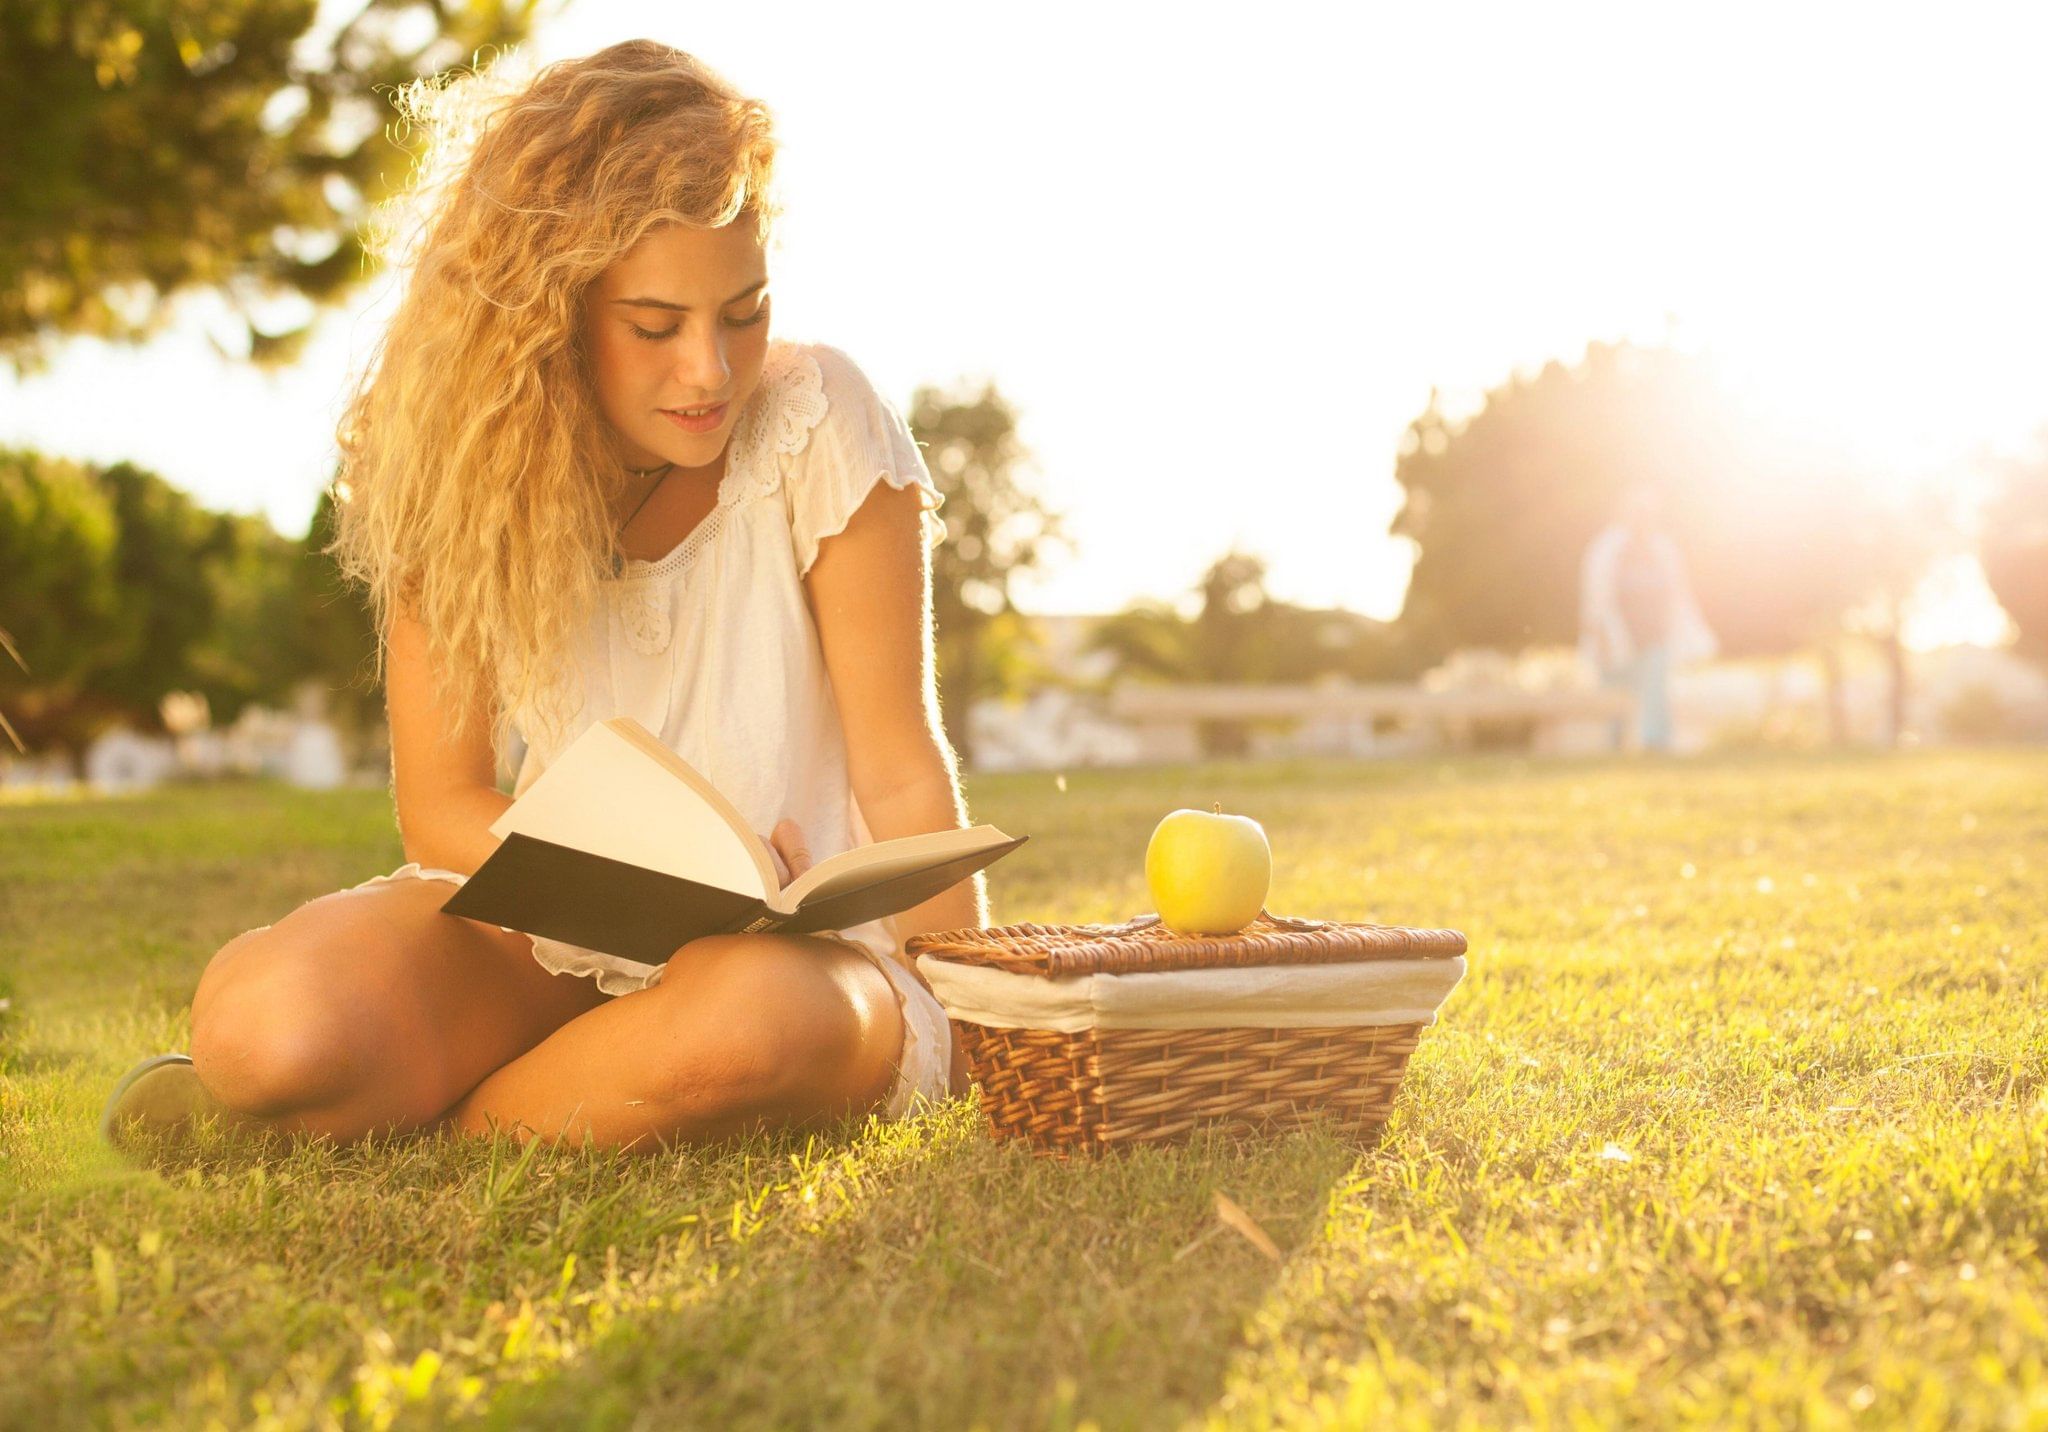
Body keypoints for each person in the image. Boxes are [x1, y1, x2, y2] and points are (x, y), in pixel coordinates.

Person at [100, 40, 977, 1155]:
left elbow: (902, 770)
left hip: (804, 966)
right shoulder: (461, 474)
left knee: (743, 1017)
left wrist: (978, 1014)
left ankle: (455, 1127)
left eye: (742, 312)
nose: (708, 370)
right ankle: (570, 1083)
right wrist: (657, 885)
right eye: (655, 326)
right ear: (552, 315)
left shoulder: (817, 420)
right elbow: (444, 806)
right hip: (555, 938)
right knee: (266, 1032)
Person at [1578, 485, 1717, 752]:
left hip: (1655, 633)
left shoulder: (1662, 548)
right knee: (1614, 691)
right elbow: (1595, 598)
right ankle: (1614, 743)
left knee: (1655, 692)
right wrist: (1598, 634)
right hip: (1616, 634)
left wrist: (1683, 632)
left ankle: (1656, 743)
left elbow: (1679, 594)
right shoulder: (1607, 549)